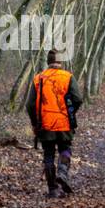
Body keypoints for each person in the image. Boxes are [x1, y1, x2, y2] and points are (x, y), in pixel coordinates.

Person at [24, 50, 82, 198]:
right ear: (60, 62)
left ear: (48, 62)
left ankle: (53, 190)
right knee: (65, 149)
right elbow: (78, 99)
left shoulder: (39, 78)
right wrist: (70, 112)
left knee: (48, 154)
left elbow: (30, 104)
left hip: (45, 124)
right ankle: (62, 172)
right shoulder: (68, 77)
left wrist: (35, 123)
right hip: (64, 123)